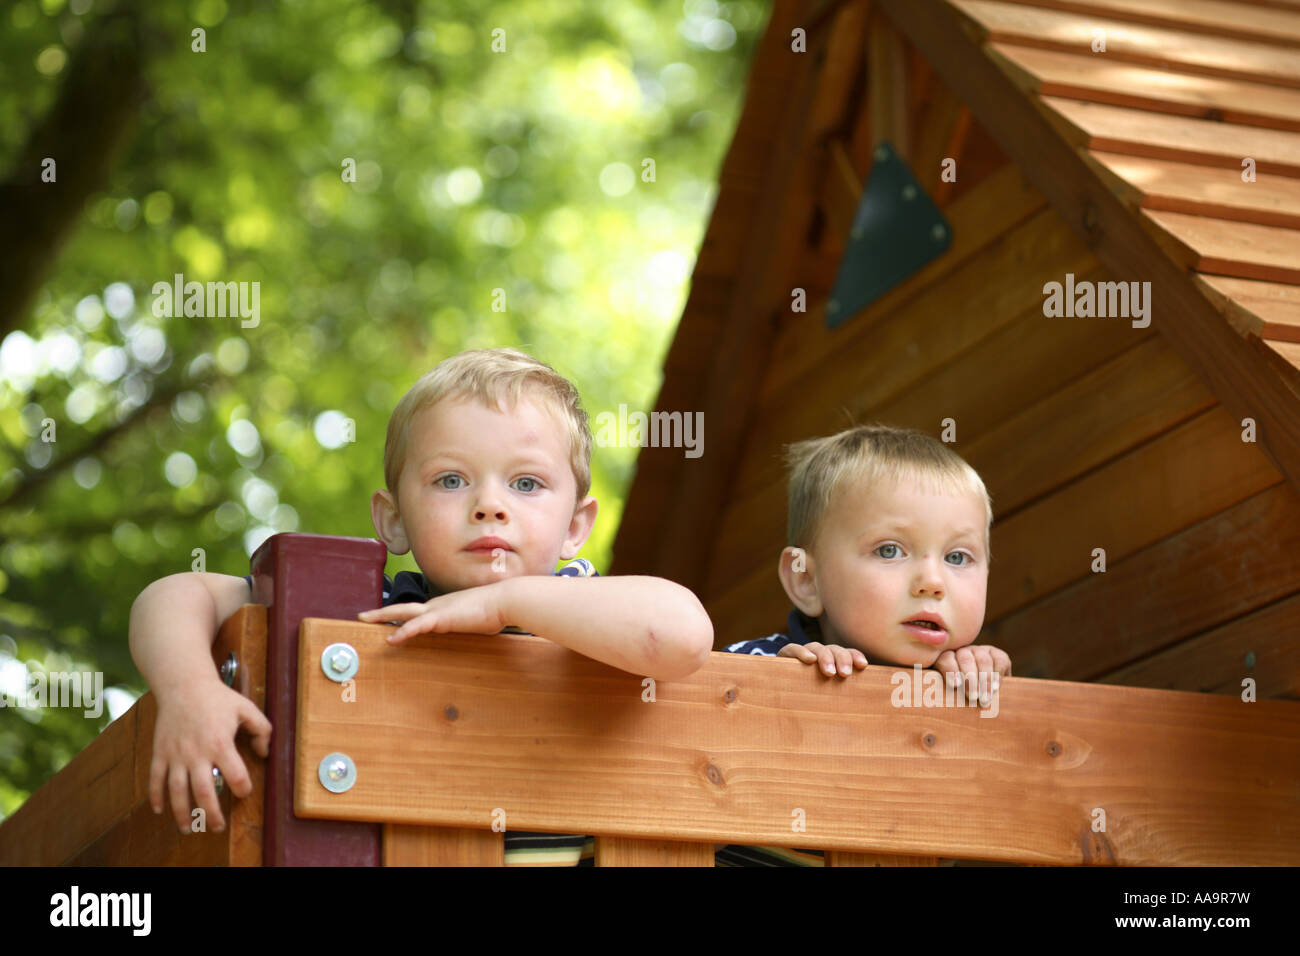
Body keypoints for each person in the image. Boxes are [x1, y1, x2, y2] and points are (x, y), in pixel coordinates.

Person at [129, 347, 713, 865]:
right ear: (393, 521)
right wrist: (188, 692)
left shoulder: (588, 608)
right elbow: (178, 592)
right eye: (451, 481)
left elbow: (684, 633)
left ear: (575, 527)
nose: (489, 505)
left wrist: (505, 602)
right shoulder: (368, 609)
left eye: (527, 484)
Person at [715, 423, 1012, 865]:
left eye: (957, 557)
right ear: (806, 580)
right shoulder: (764, 662)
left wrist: (995, 693)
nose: (932, 581)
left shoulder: (965, 684)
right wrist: (782, 689)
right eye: (890, 550)